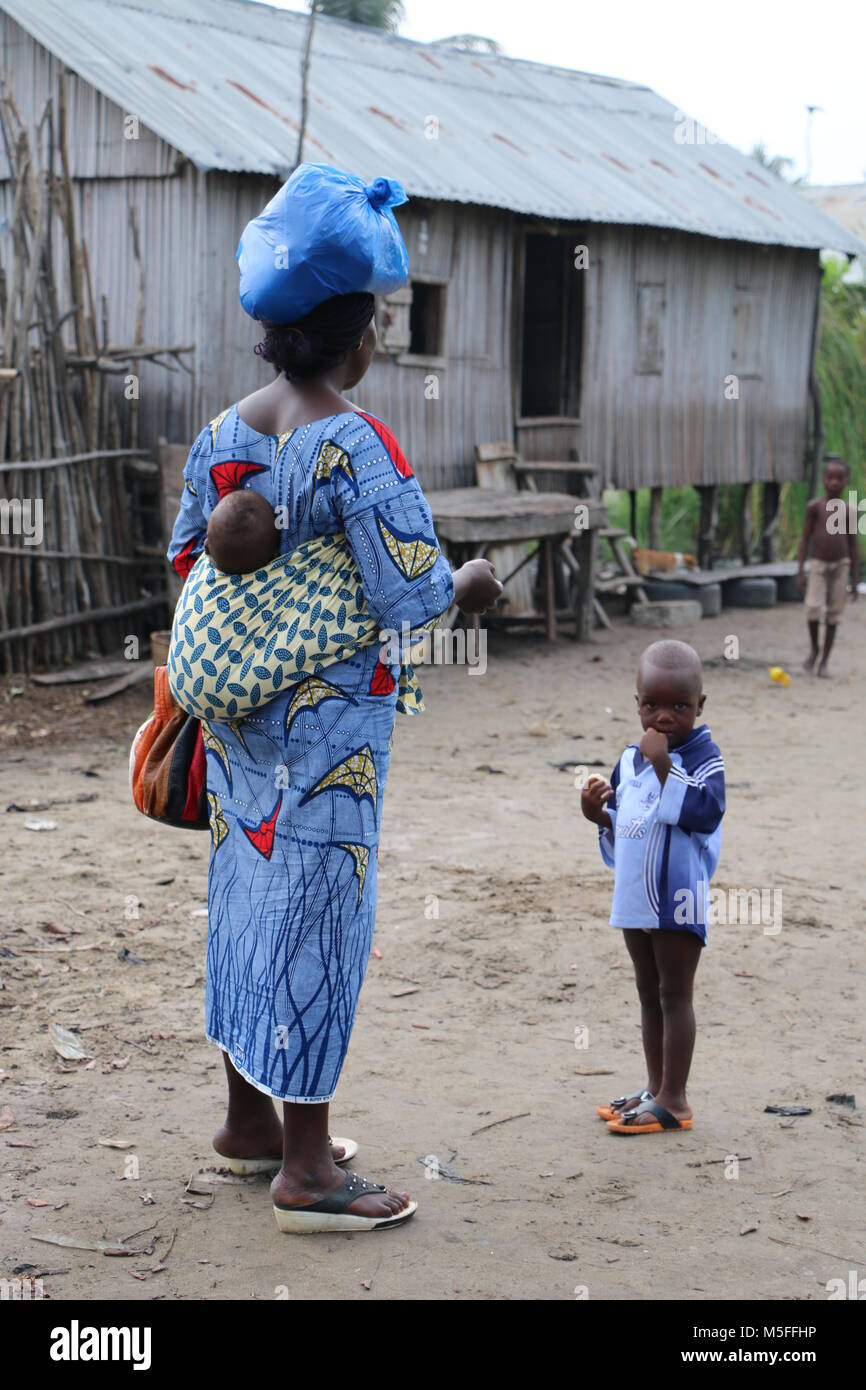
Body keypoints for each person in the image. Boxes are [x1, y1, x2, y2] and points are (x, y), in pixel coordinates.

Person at [167, 173, 502, 1233]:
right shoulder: (357, 445)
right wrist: (478, 586)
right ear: (353, 335)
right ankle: (307, 1171)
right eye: (383, 321)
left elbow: (187, 564)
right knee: (317, 916)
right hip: (329, 744)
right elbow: (413, 606)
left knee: (243, 901)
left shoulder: (222, 433)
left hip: (234, 732)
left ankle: (246, 1121)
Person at [580, 640, 725, 1135]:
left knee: (675, 994)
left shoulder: (705, 755)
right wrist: (599, 814)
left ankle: (675, 1099)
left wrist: (665, 765)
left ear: (699, 706)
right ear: (637, 702)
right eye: (652, 705)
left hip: (677, 897)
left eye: (679, 706)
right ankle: (655, 1085)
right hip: (637, 895)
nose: (664, 717)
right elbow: (630, 824)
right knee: (648, 990)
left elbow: (706, 812)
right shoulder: (630, 757)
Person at [797, 455, 858, 677]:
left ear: (846, 482)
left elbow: (853, 545)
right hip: (818, 565)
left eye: (839, 478)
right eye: (829, 477)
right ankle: (814, 649)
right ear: (824, 480)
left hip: (841, 566)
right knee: (812, 609)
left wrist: (854, 580)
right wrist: (800, 570)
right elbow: (805, 539)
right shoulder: (815, 507)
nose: (833, 482)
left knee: (834, 614)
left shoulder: (850, 511)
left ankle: (824, 662)